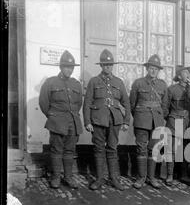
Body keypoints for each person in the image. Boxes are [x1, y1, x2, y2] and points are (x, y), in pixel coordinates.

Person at [83, 49, 131, 191]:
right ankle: (99, 179)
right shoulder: (94, 81)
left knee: (112, 149)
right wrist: (87, 122)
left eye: (110, 65)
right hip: (98, 120)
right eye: (105, 65)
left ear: (112, 66)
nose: (107, 67)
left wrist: (126, 121)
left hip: (114, 121)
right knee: (98, 149)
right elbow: (87, 103)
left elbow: (126, 103)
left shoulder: (119, 82)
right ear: (101, 66)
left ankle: (114, 179)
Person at [39, 50, 83, 189]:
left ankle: (68, 177)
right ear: (60, 67)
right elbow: (43, 103)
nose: (69, 70)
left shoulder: (76, 84)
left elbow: (78, 104)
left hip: (73, 123)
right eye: (66, 67)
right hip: (57, 123)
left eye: (71, 67)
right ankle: (56, 177)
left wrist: (71, 117)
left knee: (70, 150)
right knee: (56, 150)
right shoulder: (50, 82)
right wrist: (53, 116)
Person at [129, 54, 168, 189]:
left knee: (154, 149)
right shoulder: (138, 83)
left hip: (156, 121)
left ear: (159, 71)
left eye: (156, 69)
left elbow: (165, 106)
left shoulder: (163, 85)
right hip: (141, 120)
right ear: (147, 68)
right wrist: (139, 116)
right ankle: (141, 178)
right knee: (141, 148)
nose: (153, 71)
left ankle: (151, 177)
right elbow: (132, 104)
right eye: (151, 68)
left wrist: (160, 118)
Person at [164, 65, 190, 186]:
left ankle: (183, 175)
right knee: (172, 149)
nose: (188, 74)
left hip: (187, 121)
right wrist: (171, 118)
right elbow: (165, 107)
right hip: (175, 120)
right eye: (185, 72)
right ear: (179, 76)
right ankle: (170, 175)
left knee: (185, 149)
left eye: (189, 72)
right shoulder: (172, 89)